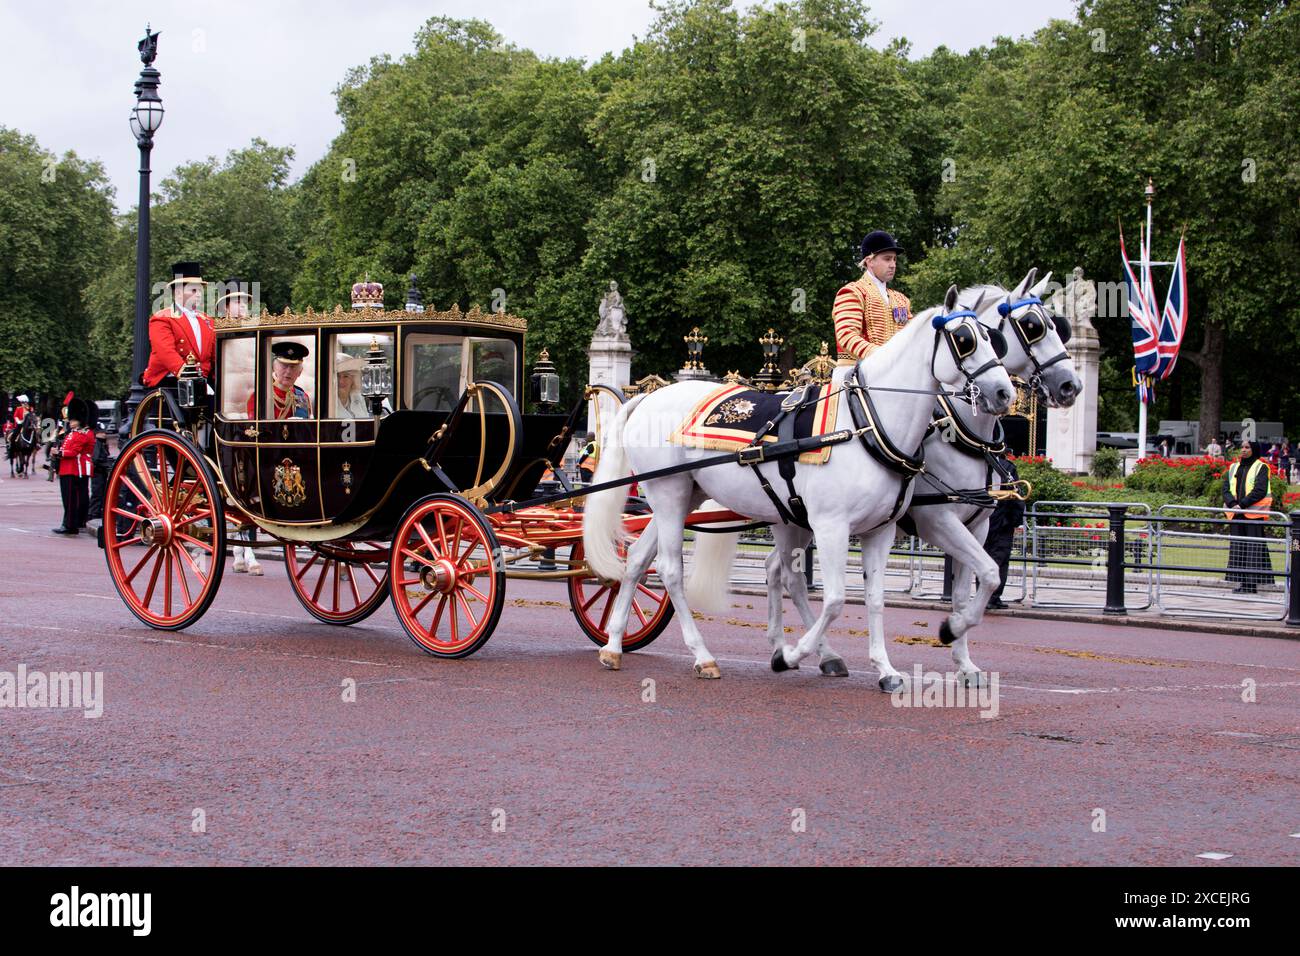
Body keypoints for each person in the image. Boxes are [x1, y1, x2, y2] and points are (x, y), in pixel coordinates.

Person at [832, 230, 912, 362]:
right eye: (887, 259)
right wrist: (884, 356)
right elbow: (846, 335)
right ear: (870, 261)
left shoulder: (901, 299)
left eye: (894, 259)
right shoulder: (852, 292)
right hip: (854, 373)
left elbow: (912, 337)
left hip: (897, 372)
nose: (893, 265)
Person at [142, 261, 215, 388]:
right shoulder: (162, 318)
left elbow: (214, 355)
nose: (198, 294)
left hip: (203, 380)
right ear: (178, 292)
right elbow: (165, 352)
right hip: (171, 380)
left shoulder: (207, 320)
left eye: (200, 290)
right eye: (193, 290)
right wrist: (189, 377)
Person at [1223, 440, 1275, 594]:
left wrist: (1242, 505)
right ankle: (1243, 583)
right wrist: (1233, 504)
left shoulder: (1261, 467)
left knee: (1254, 550)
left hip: (1253, 514)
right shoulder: (1233, 467)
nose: (1243, 450)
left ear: (1254, 450)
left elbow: (1259, 490)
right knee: (1239, 549)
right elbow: (1226, 489)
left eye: (1247, 447)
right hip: (1237, 515)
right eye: (1242, 447)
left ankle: (1251, 584)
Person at [984, 456, 1025, 609]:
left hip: (983, 519)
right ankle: (992, 597)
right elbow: (1017, 496)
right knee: (1000, 560)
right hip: (1002, 521)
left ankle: (983, 594)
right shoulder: (1007, 467)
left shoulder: (983, 463)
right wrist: (1015, 521)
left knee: (983, 557)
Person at [51, 398, 94, 536]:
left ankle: (70, 525)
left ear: (79, 420)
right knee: (68, 499)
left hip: (73, 469)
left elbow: (74, 452)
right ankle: (68, 522)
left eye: (73, 420)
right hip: (66, 468)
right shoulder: (72, 433)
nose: (70, 422)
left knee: (70, 499)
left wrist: (60, 453)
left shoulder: (82, 434)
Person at [247, 341, 312, 419]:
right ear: (274, 368)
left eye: (293, 367)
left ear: (300, 372)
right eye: (284, 366)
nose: (288, 372)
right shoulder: (259, 397)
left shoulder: (303, 397)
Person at [332, 354, 369, 418]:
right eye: (337, 376)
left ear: (353, 379)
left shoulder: (358, 397)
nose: (341, 381)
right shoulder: (329, 401)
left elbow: (367, 420)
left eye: (346, 376)